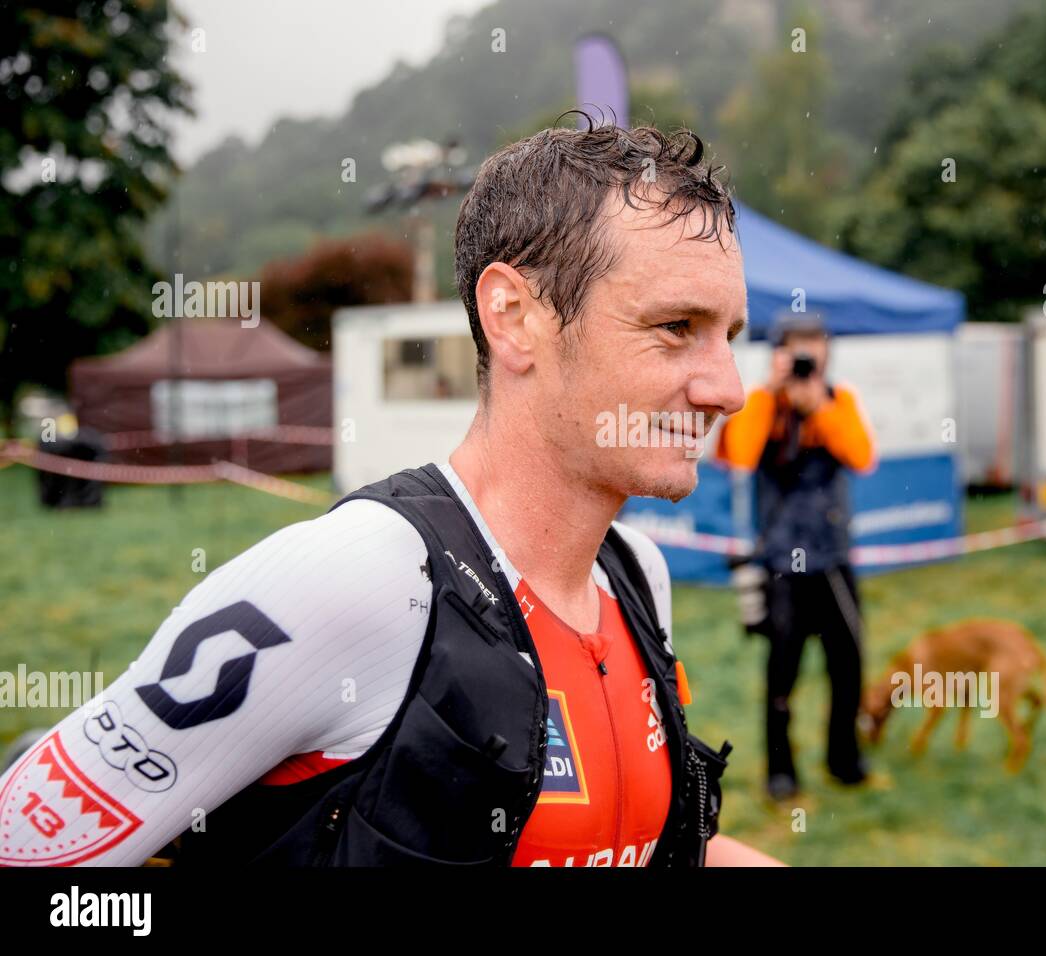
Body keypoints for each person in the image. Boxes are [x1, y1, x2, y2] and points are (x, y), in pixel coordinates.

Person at [0, 121, 784, 867]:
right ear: (513, 318)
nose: (730, 389)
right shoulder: (359, 579)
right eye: (677, 327)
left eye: (731, 336)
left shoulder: (636, 575)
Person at [715, 313, 877, 799]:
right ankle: (780, 770)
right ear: (778, 353)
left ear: (827, 350)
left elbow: (862, 456)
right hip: (784, 562)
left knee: (848, 664)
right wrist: (771, 394)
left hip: (833, 558)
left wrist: (818, 407)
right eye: (797, 347)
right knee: (782, 670)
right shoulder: (763, 402)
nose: (808, 354)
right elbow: (739, 459)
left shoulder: (839, 398)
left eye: (814, 344)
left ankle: (843, 758)